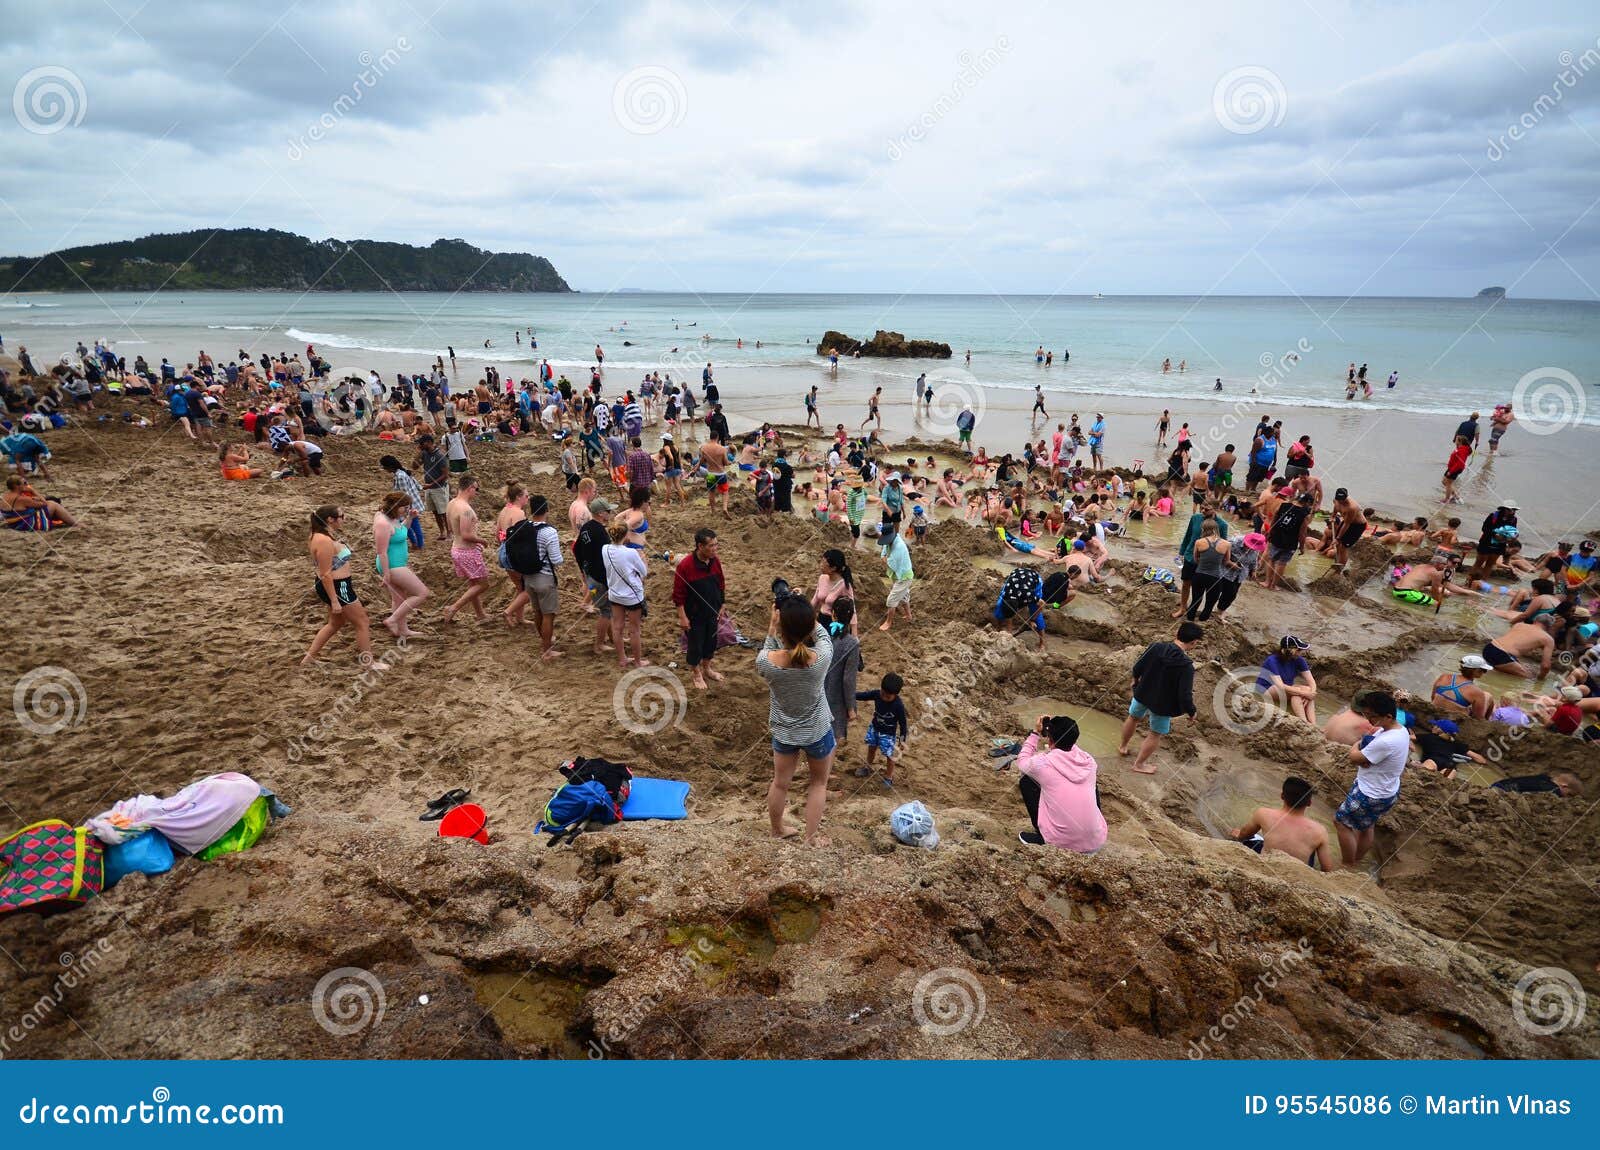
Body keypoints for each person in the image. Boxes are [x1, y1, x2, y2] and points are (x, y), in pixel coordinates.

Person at [755, 596, 836, 844]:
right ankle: (811, 838)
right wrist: (809, 617)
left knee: (780, 784)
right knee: (818, 784)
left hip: (784, 731)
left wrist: (773, 625)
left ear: (782, 629)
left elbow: (768, 651)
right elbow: (824, 638)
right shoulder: (820, 659)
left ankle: (777, 829)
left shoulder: (765, 664)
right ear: (809, 625)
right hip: (817, 730)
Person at [1014, 714, 1106, 851]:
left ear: (1050, 740)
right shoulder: (1089, 762)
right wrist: (1061, 736)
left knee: (1026, 781)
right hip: (1097, 842)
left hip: (1062, 845)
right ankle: (1086, 833)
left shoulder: (1043, 764)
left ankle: (1043, 837)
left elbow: (1021, 761)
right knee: (1091, 784)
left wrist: (1035, 733)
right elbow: (1069, 745)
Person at [1118, 621, 1201, 774]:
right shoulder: (1187, 667)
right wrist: (1191, 711)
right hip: (1163, 705)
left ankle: (1123, 746)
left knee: (1133, 717)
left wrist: (1135, 680)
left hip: (1142, 693)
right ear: (1194, 643)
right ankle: (1139, 765)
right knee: (1155, 733)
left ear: (1177, 633)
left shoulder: (1156, 647)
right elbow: (1185, 695)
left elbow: (1138, 667)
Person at [1336, 691, 1407, 867]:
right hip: (1386, 791)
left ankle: (1347, 864)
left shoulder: (1386, 741)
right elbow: (1367, 757)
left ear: (1388, 716)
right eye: (1366, 715)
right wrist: (1364, 755)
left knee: (1340, 822)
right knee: (1367, 826)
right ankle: (1357, 860)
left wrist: (1356, 748)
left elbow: (1354, 758)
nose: (1369, 721)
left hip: (1369, 793)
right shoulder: (1401, 731)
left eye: (1372, 717)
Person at [302, 505, 372, 665]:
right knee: (362, 622)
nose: (344, 519)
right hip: (338, 587)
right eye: (342, 516)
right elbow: (325, 573)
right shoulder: (323, 540)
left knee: (335, 623)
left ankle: (308, 660)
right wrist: (334, 600)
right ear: (330, 519)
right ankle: (369, 664)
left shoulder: (320, 535)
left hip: (338, 585)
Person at [1231, 777, 1331, 871]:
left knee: (1252, 838)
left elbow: (1245, 834)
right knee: (1312, 847)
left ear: (1282, 796)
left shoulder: (1263, 814)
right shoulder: (1320, 831)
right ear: (1309, 803)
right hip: (1298, 872)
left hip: (1268, 865)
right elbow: (1327, 869)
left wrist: (1239, 835)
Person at [673, 528, 728, 690]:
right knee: (695, 644)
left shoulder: (715, 561)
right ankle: (696, 673)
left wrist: (723, 604)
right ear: (700, 546)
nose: (715, 549)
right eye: (711, 546)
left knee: (711, 642)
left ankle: (707, 668)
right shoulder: (685, 566)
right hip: (694, 614)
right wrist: (682, 617)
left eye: (716, 545)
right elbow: (678, 595)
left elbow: (721, 583)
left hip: (713, 611)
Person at [374, 490, 429, 639]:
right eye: (405, 507)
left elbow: (401, 530)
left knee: (399, 598)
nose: (407, 510)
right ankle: (392, 620)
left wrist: (410, 517)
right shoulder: (382, 523)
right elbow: (381, 552)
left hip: (397, 563)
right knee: (422, 593)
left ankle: (403, 629)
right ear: (395, 506)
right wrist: (386, 574)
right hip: (392, 565)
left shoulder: (394, 518)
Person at [520, 495, 564, 659]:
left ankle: (544, 641)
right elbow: (556, 559)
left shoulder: (525, 527)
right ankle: (546, 650)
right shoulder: (549, 532)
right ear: (546, 510)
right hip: (545, 577)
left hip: (528, 577)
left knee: (537, 611)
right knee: (549, 615)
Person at [443, 474, 490, 623]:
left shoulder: (451, 504)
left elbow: (450, 527)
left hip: (456, 549)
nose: (477, 493)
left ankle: (480, 614)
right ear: (470, 488)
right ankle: (454, 607)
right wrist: (482, 540)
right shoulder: (466, 509)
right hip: (466, 551)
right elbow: (466, 535)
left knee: (473, 584)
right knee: (483, 584)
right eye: (476, 489)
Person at [601, 519, 648, 667]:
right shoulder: (631, 553)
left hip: (615, 593)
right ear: (626, 535)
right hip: (632, 595)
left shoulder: (605, 549)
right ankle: (638, 661)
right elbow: (643, 572)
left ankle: (622, 659)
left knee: (617, 627)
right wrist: (644, 561)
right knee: (634, 630)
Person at [822, 599, 862, 758]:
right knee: (834, 736)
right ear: (852, 617)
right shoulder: (852, 643)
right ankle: (823, 775)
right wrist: (851, 707)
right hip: (836, 696)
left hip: (819, 689)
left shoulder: (824, 634)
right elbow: (848, 679)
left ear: (833, 615)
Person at [853, 672, 908, 787]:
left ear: (895, 695)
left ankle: (889, 777)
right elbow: (864, 695)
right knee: (871, 749)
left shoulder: (898, 706)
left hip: (888, 735)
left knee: (890, 756)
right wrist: (851, 695)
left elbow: (903, 724)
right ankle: (867, 767)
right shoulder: (877, 694)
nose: (884, 697)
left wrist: (902, 740)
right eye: (883, 693)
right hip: (874, 729)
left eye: (888, 697)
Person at [1256, 635, 1317, 724]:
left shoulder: (1299, 660)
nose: (1300, 653)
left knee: (1307, 689)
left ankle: (1313, 724)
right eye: (1298, 650)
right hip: (1266, 689)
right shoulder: (1272, 661)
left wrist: (1311, 694)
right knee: (1298, 692)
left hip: (1286, 688)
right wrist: (1304, 694)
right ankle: (1304, 722)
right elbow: (1279, 685)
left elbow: (1311, 681)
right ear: (1288, 650)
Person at [1263, 491, 1313, 591]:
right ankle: (1273, 585)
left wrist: (1270, 531)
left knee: (1272, 560)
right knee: (1282, 563)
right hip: (1290, 542)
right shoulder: (1304, 514)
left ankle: (1267, 582)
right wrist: (1302, 547)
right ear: (1306, 503)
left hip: (1277, 536)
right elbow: (1302, 533)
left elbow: (1274, 519)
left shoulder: (1283, 505)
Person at [1185, 520, 1234, 622]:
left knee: (1195, 600)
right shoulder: (1227, 544)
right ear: (1216, 529)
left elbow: (1195, 559)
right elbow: (1226, 562)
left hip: (1199, 575)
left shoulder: (1199, 542)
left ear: (1203, 529)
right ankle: (1202, 622)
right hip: (1216, 577)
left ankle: (1189, 620)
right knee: (1210, 604)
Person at [1482, 620, 1554, 680]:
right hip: (1501, 656)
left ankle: (1491, 668)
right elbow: (1545, 666)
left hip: (1488, 648)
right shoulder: (1548, 639)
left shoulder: (1519, 624)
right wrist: (1540, 679)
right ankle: (1491, 671)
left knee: (1521, 666)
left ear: (1535, 621)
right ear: (1549, 627)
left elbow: (1511, 646)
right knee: (1530, 678)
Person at [2, 475, 76, 530]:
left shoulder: (4, 496)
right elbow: (44, 503)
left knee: (47, 505)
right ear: (16, 486)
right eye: (24, 483)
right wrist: (32, 491)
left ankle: (66, 521)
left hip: (12, 523)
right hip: (24, 525)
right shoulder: (21, 499)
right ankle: (75, 524)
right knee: (52, 504)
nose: (26, 485)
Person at [1432, 654, 1495, 719]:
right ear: (1476, 671)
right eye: (1484, 670)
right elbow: (1478, 718)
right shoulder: (1477, 692)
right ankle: (1487, 722)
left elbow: (1433, 698)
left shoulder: (1444, 677)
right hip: (1454, 721)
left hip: (1435, 713)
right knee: (1488, 696)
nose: (1484, 672)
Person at [878, 526, 914, 632]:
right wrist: (884, 557)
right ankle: (909, 616)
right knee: (904, 595)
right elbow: (883, 553)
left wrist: (885, 559)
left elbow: (891, 564)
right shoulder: (893, 538)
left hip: (903, 576)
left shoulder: (899, 547)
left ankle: (888, 622)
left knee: (891, 600)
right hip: (897, 575)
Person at [415, 434, 451, 541]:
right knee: (435, 511)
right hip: (429, 487)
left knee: (443, 512)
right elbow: (415, 466)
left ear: (429, 442)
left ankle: (449, 532)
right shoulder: (424, 454)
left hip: (439, 487)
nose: (421, 445)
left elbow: (445, 474)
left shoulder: (440, 455)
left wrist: (431, 484)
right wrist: (418, 453)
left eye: (422, 443)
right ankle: (442, 532)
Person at [811, 548, 855, 632]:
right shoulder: (822, 578)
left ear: (833, 568)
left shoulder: (844, 585)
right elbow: (815, 599)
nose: (821, 565)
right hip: (821, 618)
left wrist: (854, 633)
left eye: (824, 563)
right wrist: (806, 613)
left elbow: (852, 609)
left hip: (835, 623)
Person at [1492, 772, 1583, 797]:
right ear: (1564, 786)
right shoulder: (1555, 791)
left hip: (1500, 784)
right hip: (1502, 792)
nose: (1566, 797)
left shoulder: (1544, 777)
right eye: (1569, 794)